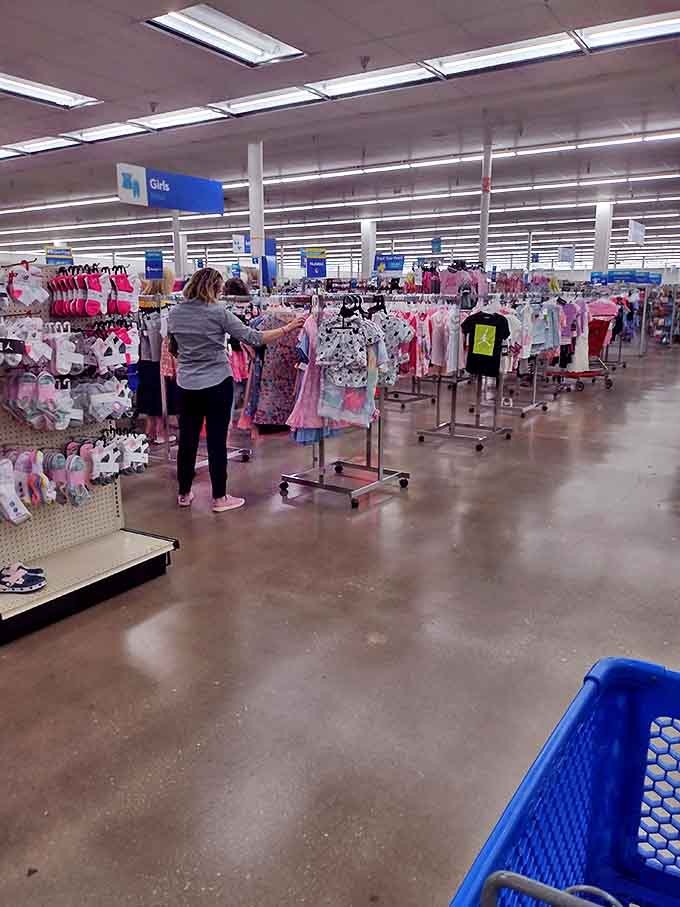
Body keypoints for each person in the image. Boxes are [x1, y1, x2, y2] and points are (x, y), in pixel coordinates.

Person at [168, 267, 305, 513]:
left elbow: (173, 347)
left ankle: (184, 493)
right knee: (216, 442)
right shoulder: (219, 312)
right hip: (216, 383)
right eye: (219, 288)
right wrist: (288, 328)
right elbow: (254, 337)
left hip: (186, 385)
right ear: (213, 288)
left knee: (187, 441)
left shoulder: (175, 313)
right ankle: (219, 498)